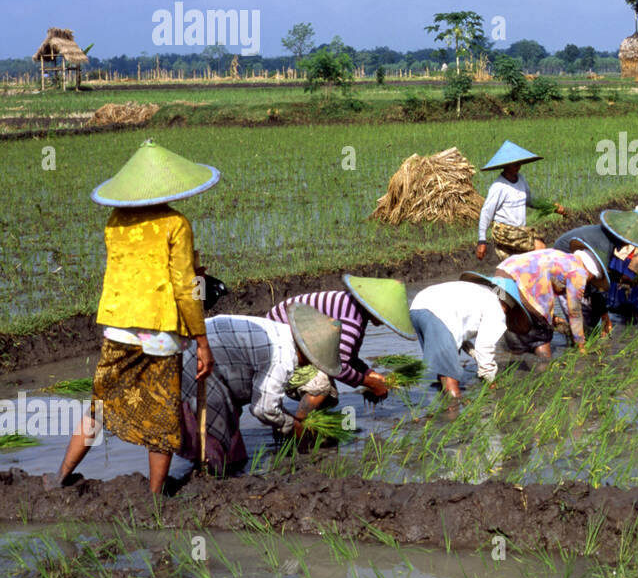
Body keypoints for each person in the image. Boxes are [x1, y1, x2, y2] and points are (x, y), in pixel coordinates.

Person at [52, 139, 219, 494]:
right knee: (161, 413)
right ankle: (155, 498)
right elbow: (186, 288)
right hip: (159, 330)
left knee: (99, 405)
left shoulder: (115, 221)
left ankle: (61, 478)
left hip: (118, 326)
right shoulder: (176, 224)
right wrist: (202, 341)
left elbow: (133, 270)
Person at [179, 305, 344, 474]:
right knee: (216, 444)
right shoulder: (284, 358)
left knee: (231, 448)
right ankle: (209, 482)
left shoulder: (282, 332)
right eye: (313, 360)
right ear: (307, 351)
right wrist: (294, 426)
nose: (310, 364)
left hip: (202, 348)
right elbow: (263, 409)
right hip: (198, 358)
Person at [266, 275, 415, 402]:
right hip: (280, 344)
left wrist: (368, 372)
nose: (385, 321)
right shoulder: (352, 321)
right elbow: (339, 368)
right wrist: (371, 383)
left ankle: (312, 427)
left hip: (296, 337)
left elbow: (347, 356)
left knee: (329, 396)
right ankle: (297, 427)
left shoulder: (354, 306)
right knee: (323, 389)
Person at [407, 274, 532, 397]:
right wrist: (490, 379)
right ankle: (453, 409)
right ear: (506, 306)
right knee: (452, 377)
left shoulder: (481, 292)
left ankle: (443, 403)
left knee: (443, 367)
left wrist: (474, 353)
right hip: (437, 314)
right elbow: (485, 347)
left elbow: (457, 334)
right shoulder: (497, 309)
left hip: (417, 307)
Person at [494, 243, 609, 356]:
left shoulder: (562, 256)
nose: (587, 283)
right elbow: (574, 312)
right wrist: (581, 346)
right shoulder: (579, 272)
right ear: (591, 273)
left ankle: (515, 362)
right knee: (543, 332)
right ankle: (544, 366)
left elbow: (546, 281)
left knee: (512, 321)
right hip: (519, 283)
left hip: (499, 275)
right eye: (591, 279)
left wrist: (554, 319)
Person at [476, 140, 567, 261]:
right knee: (540, 248)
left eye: (519, 163)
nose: (518, 167)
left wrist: (551, 207)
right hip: (505, 232)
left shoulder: (521, 179)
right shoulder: (499, 186)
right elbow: (486, 212)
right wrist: (482, 240)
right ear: (506, 165)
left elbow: (529, 200)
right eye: (515, 164)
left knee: (516, 263)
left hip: (519, 230)